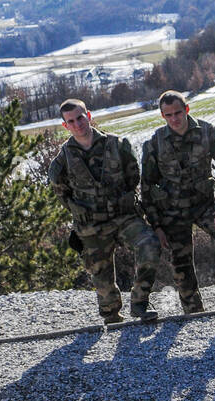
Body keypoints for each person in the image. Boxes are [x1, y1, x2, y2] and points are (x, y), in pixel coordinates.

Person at [140, 91, 215, 317]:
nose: (174, 119)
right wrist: (156, 225)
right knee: (181, 261)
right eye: (168, 115)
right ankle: (194, 312)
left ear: (186, 109)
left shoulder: (209, 133)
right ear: (162, 116)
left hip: (204, 204)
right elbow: (147, 188)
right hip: (172, 211)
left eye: (178, 112)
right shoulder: (154, 143)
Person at [48, 99, 161, 322]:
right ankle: (111, 314)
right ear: (65, 126)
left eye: (80, 117)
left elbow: (133, 176)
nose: (77, 124)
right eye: (71, 121)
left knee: (150, 245)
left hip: (124, 217)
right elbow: (62, 194)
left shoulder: (117, 145)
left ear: (88, 116)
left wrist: (124, 200)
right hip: (92, 225)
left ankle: (139, 304)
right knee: (100, 273)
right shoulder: (62, 162)